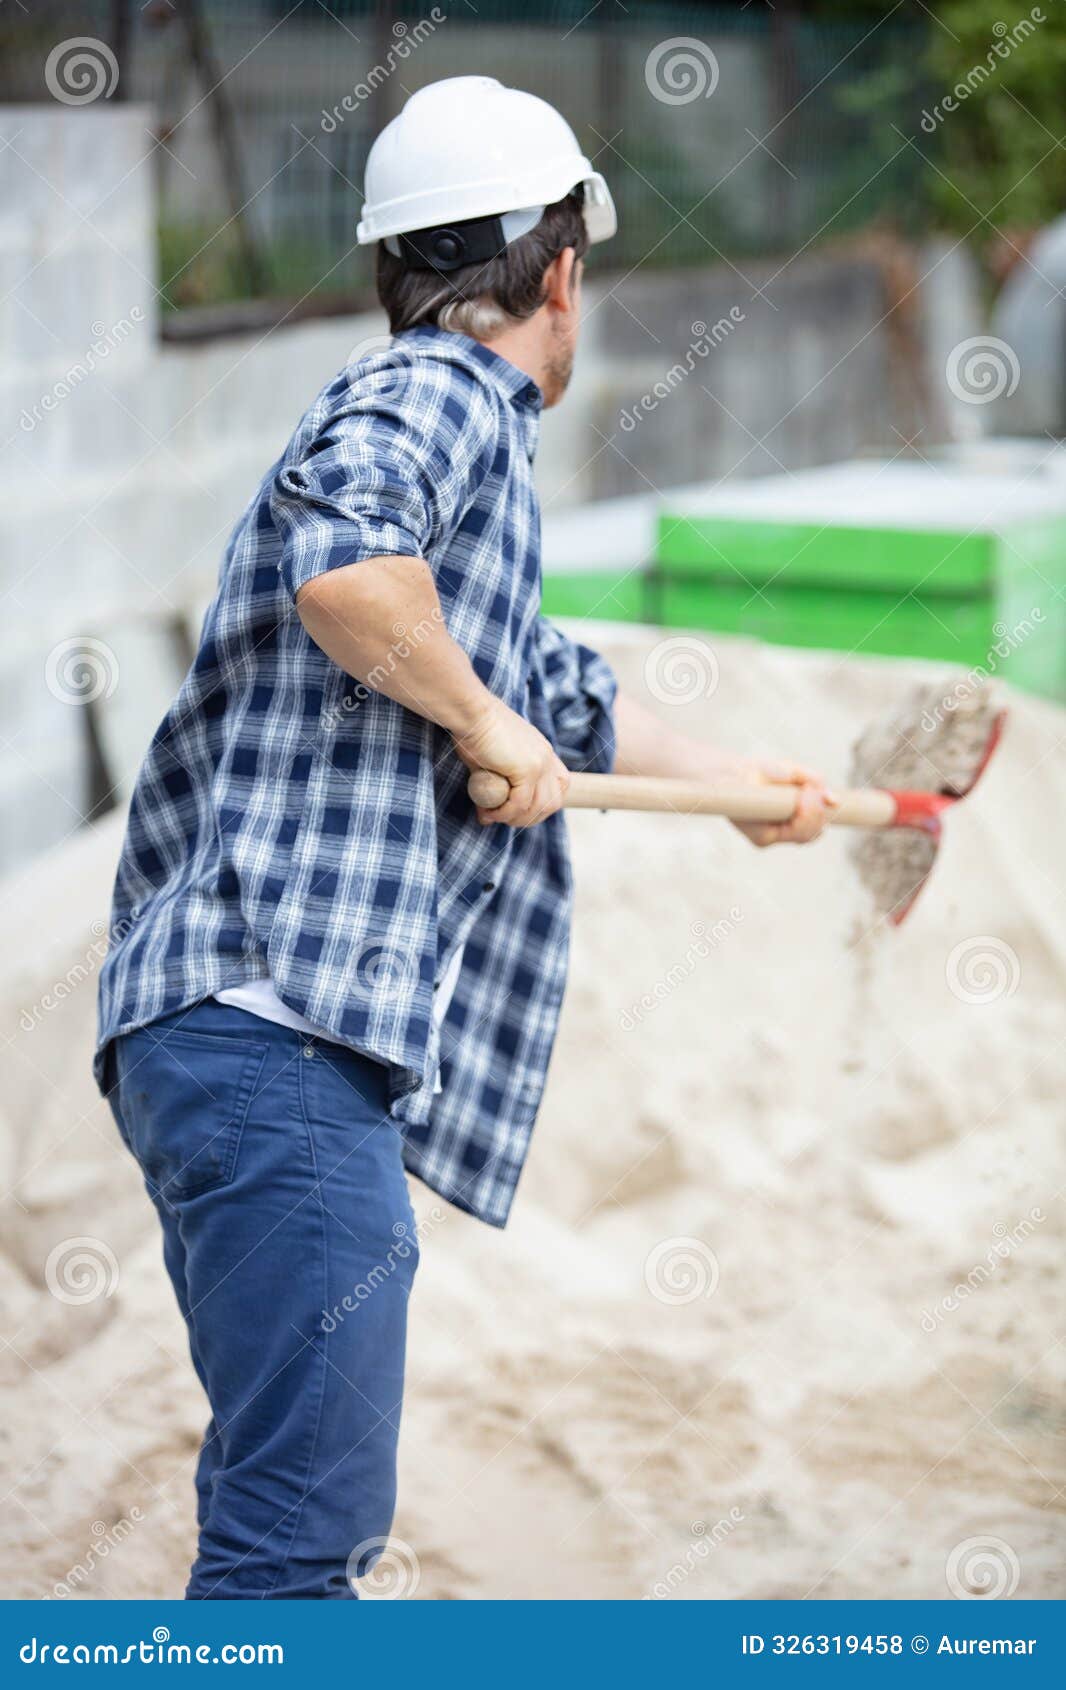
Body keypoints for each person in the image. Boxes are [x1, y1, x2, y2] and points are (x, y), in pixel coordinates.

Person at [95, 76, 833, 1600]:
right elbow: (353, 577)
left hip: (234, 1040)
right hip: (273, 1029)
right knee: (296, 1546)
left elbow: (551, 697)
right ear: (557, 271)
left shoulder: (462, 458)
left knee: (275, 1499)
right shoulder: (437, 394)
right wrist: (486, 731)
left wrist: (746, 785)